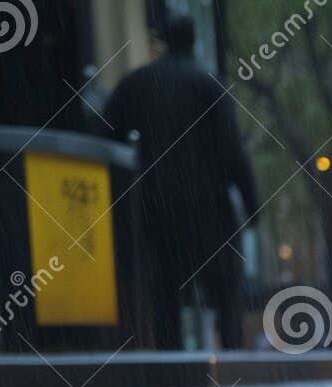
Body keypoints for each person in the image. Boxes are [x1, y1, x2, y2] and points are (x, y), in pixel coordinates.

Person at [105, 16, 258, 350]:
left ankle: (171, 364)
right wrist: (251, 205)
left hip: (156, 204)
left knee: (167, 295)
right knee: (224, 289)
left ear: (163, 41)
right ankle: (231, 358)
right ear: (192, 41)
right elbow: (233, 151)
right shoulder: (208, 84)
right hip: (208, 208)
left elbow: (107, 132)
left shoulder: (136, 84)